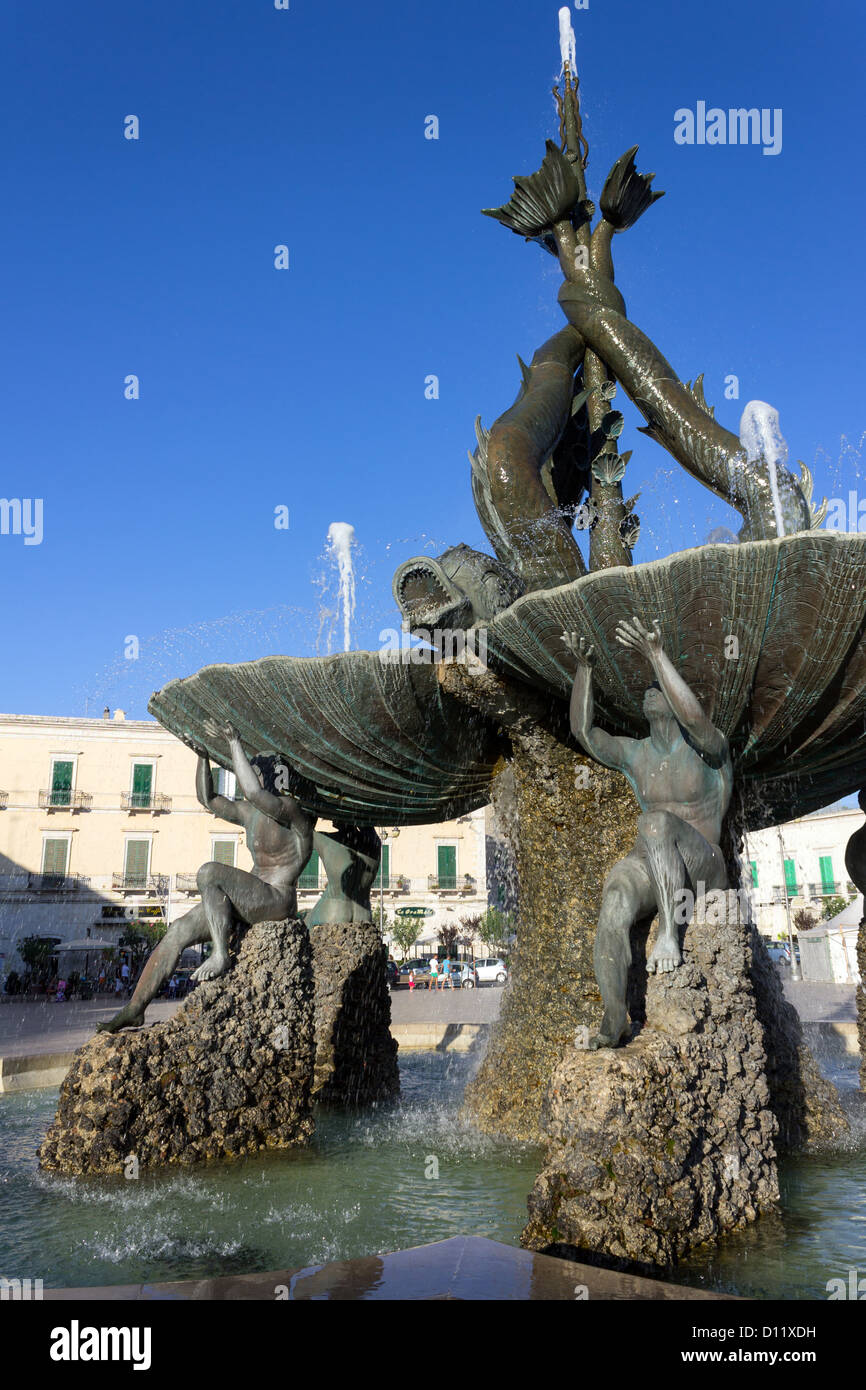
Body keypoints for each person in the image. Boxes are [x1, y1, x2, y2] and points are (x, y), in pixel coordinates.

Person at [563, 616, 732, 1050]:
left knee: (654, 823)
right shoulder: (636, 755)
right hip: (653, 860)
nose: (650, 690)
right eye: (648, 689)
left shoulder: (708, 746)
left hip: (704, 865)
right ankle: (614, 1020)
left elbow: (695, 719)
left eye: (660, 687)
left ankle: (669, 936)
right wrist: (585, 669)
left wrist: (657, 655)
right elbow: (584, 732)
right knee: (616, 897)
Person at [99, 721, 315, 1032]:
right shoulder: (251, 813)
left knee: (209, 872)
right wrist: (204, 756)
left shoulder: (295, 815)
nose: (254, 775)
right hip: (250, 898)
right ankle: (135, 1008)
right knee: (177, 930)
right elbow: (209, 799)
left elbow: (253, 792)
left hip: (277, 899)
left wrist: (233, 742)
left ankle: (220, 954)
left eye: (259, 770)